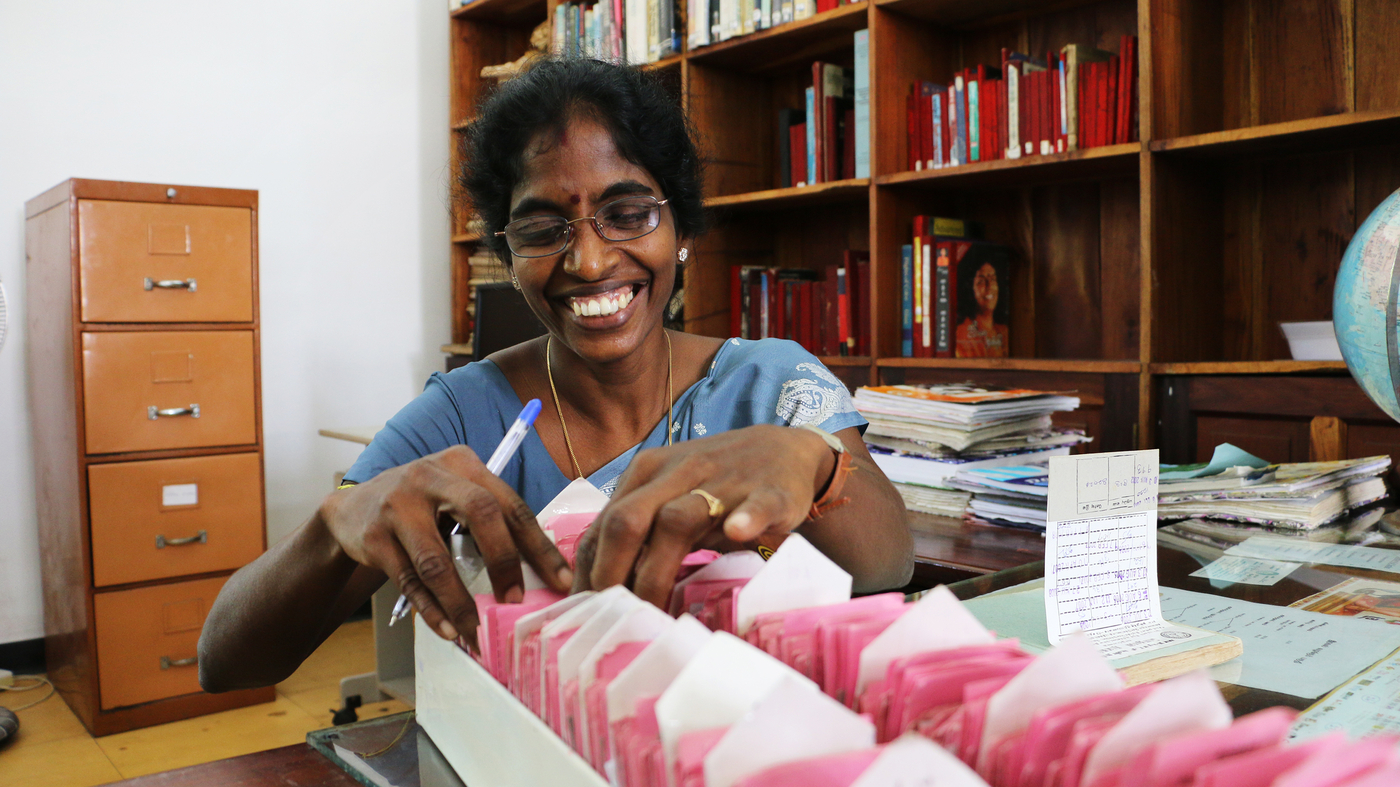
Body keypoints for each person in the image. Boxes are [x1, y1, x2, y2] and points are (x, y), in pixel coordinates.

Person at [198, 58, 912, 693]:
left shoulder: (771, 383)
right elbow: (227, 661)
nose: (591, 262)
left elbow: (889, 563)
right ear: (507, 256)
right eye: (543, 230)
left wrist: (814, 463)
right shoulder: (461, 416)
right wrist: (334, 526)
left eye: (627, 214)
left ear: (683, 230)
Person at [954, 260, 1008, 358]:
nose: (989, 286)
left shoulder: (1004, 331)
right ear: (971, 289)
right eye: (981, 281)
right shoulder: (963, 334)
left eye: (993, 279)